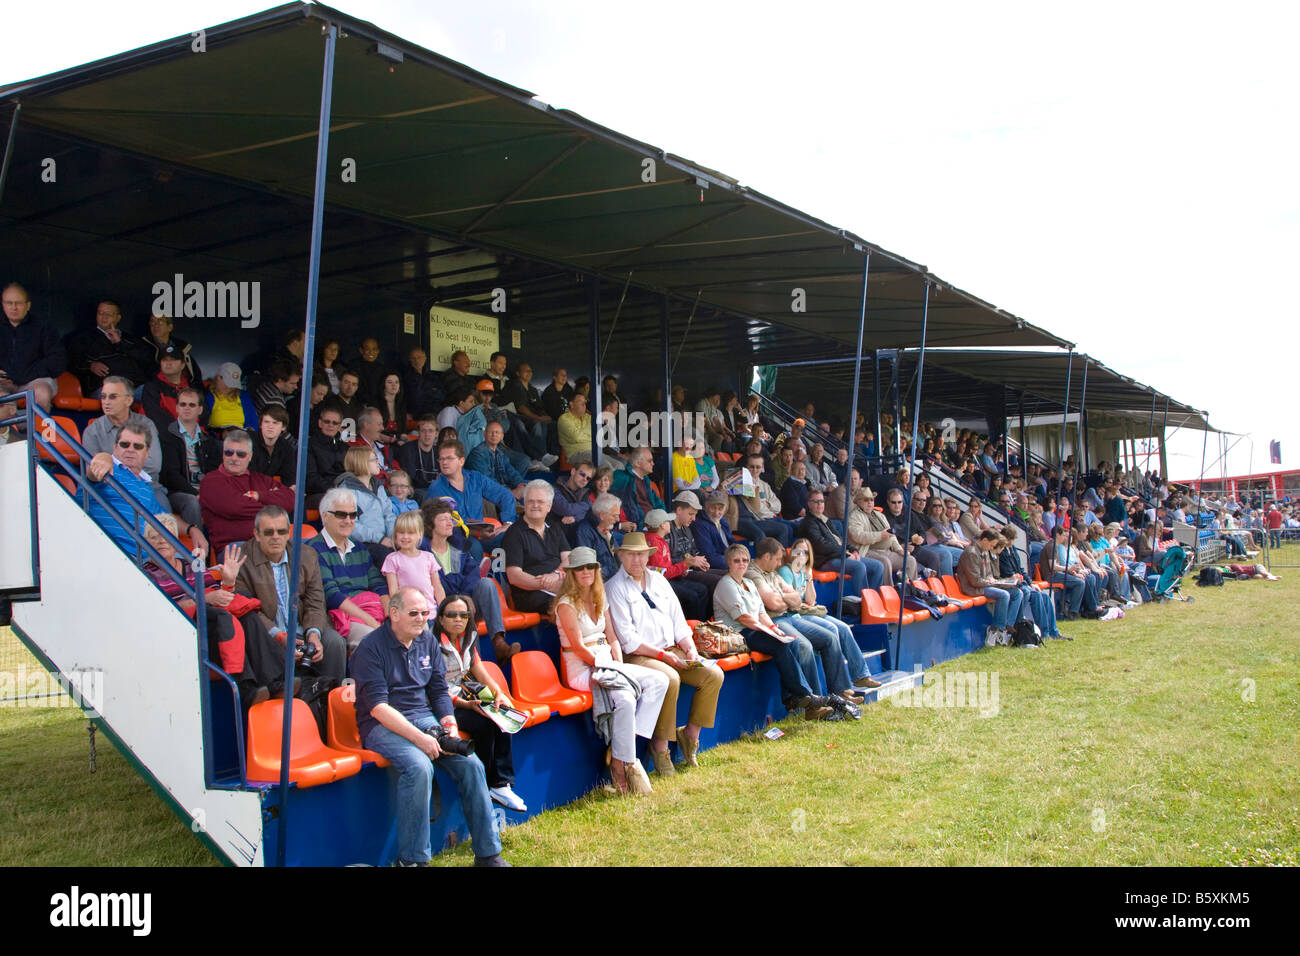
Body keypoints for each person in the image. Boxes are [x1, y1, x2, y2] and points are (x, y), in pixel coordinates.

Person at [350, 586, 508, 867]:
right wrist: (420, 739)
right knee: (419, 767)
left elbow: (438, 691)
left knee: (472, 764)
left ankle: (488, 855)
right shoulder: (370, 648)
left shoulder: (427, 641)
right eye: (414, 613)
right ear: (394, 613)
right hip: (380, 724)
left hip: (424, 717)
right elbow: (378, 708)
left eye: (425, 612)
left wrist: (449, 727)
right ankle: (413, 860)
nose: (422, 618)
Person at [606, 532, 724, 773]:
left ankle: (689, 736)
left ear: (648, 556)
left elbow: (678, 621)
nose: (637, 560)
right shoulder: (614, 587)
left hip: (672, 649)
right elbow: (628, 641)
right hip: (640, 656)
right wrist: (663, 656)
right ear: (621, 557)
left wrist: (690, 648)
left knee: (714, 674)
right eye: (630, 555)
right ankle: (660, 748)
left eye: (641, 555)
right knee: (669, 678)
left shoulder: (660, 581)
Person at [553, 550, 666, 795]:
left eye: (590, 567)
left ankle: (621, 749)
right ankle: (620, 767)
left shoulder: (599, 596)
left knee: (660, 680)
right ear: (571, 573)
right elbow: (579, 648)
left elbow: (612, 637)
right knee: (625, 698)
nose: (586, 572)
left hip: (607, 660)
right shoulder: (565, 604)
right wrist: (611, 666)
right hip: (582, 668)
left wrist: (617, 659)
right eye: (580, 568)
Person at [713, 545, 837, 721]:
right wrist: (768, 631)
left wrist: (773, 628)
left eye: (745, 560)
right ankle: (803, 694)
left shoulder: (748, 583)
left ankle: (793, 698)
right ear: (728, 563)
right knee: (780, 644)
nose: (741, 564)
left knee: (790, 640)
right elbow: (744, 618)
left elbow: (762, 612)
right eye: (737, 561)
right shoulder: (726, 584)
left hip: (754, 629)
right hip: (738, 634)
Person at [429, 593, 528, 813]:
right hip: (443, 705)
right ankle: (485, 783)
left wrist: (499, 693)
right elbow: (434, 690)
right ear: (441, 619)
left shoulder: (467, 638)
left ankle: (501, 784)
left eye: (463, 615)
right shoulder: (432, 643)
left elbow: (480, 671)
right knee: (484, 722)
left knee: (502, 713)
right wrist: (466, 705)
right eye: (451, 614)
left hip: (465, 696)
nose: (458, 619)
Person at [234, 504, 348, 684]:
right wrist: (280, 636)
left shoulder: (306, 555)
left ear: (289, 533)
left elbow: (315, 601)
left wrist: (313, 635)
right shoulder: (241, 560)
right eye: (268, 532)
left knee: (334, 642)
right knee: (265, 647)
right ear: (256, 534)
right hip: (269, 634)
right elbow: (249, 610)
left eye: (281, 531)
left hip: (303, 628)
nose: (275, 537)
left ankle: (330, 699)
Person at [746, 537, 862, 704]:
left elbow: (798, 601)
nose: (780, 564)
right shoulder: (753, 572)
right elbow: (772, 603)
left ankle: (840, 691)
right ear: (766, 557)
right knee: (805, 646)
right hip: (774, 620)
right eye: (778, 559)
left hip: (790, 615)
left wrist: (782, 597)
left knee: (829, 637)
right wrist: (785, 599)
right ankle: (817, 700)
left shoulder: (771, 572)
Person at [84, 416, 207, 556]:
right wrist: (102, 457)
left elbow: (163, 518)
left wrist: (191, 529)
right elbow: (92, 473)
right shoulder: (108, 469)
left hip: (149, 558)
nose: (130, 450)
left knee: (192, 565)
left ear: (147, 452)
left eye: (137, 446)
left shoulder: (146, 486)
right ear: (115, 447)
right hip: (115, 555)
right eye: (125, 444)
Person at [419, 497, 517, 662]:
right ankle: (473, 662)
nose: (450, 523)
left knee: (486, 584)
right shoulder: (423, 552)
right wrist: (460, 596)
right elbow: (438, 584)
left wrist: (464, 594)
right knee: (462, 611)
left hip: (465, 600)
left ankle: (499, 643)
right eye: (443, 520)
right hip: (441, 607)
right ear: (430, 525)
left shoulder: (458, 544)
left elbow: (472, 572)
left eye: (451, 519)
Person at [782, 537, 880, 687]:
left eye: (806, 553)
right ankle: (841, 686)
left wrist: (809, 579)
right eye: (798, 551)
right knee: (832, 629)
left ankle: (861, 675)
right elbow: (792, 604)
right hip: (796, 616)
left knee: (844, 628)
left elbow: (811, 600)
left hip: (808, 611)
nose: (801, 555)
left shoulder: (803, 573)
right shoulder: (786, 571)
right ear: (792, 552)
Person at [199, 428, 296, 555]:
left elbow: (291, 499)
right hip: (235, 548)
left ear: (250, 457)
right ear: (222, 454)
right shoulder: (211, 481)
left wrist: (259, 495)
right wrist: (274, 506)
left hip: (273, 542)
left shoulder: (260, 479)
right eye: (229, 453)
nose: (234, 458)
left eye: (241, 454)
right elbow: (235, 507)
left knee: (307, 551)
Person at [427, 438, 517, 560]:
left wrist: (507, 523)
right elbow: (442, 525)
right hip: (454, 537)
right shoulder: (436, 488)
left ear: (461, 461)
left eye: (449, 458)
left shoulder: (475, 478)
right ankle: (478, 577)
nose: (444, 462)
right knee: (474, 548)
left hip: (483, 534)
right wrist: (477, 533)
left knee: (513, 537)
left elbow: (505, 495)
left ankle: (509, 576)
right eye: (441, 459)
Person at [797, 489, 884, 608]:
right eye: (816, 501)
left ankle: (872, 603)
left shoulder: (825, 520)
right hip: (825, 560)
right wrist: (846, 554)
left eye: (822, 501)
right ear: (809, 504)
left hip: (840, 555)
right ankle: (862, 606)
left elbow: (841, 540)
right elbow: (822, 546)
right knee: (859, 567)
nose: (820, 504)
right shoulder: (808, 523)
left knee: (878, 566)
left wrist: (853, 550)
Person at [502, 480, 571, 614]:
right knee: (571, 607)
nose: (535, 505)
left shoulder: (554, 527)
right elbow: (514, 576)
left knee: (595, 598)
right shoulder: (514, 533)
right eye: (530, 501)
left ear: (549, 507)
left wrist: (557, 575)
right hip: (531, 594)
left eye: (540, 502)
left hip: (558, 585)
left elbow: (569, 558)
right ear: (524, 503)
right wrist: (548, 584)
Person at [158, 386, 220, 526]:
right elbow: (171, 475)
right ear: (177, 408)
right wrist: (195, 493)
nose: (187, 408)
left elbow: (214, 472)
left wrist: (206, 493)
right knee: (192, 502)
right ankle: (198, 546)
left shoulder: (208, 440)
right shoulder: (166, 436)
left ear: (200, 409)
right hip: (177, 492)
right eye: (183, 404)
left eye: (192, 405)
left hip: (204, 490)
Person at [67, 300, 152, 397]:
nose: (104, 317)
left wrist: (120, 343)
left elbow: (146, 359)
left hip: (134, 386)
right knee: (117, 397)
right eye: (101, 313)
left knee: (156, 395)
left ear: (118, 318)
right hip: (104, 387)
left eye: (109, 314)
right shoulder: (83, 337)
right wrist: (90, 365)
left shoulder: (129, 339)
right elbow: (72, 362)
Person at [0, 282, 65, 409]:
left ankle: (36, 429)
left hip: (35, 381)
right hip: (3, 383)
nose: (14, 307)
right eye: (9, 303)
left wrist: (22, 375)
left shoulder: (43, 327)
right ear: (3, 305)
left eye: (18, 303)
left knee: (41, 393)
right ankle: (10, 429)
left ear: (28, 305)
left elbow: (58, 361)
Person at [958, 530, 1026, 648]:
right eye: (991, 545)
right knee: (1004, 595)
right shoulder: (971, 553)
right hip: (974, 588)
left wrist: (1000, 582)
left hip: (986, 584)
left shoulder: (984, 551)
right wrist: (994, 583)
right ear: (984, 540)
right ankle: (996, 629)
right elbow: (975, 581)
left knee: (1017, 593)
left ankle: (1006, 627)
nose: (992, 548)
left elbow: (990, 575)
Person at [997, 526, 1063, 639]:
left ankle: (1054, 631)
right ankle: (1045, 633)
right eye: (1011, 539)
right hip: (1013, 584)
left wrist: (1030, 582)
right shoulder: (1002, 552)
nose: (1012, 542)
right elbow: (1008, 573)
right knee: (1036, 595)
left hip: (1021, 582)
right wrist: (1024, 582)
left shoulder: (1012, 549)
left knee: (1045, 597)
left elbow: (1020, 569)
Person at [335, 445, 396, 563]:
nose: (378, 462)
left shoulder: (378, 487)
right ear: (361, 462)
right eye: (374, 459)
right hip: (359, 544)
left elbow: (389, 514)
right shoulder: (346, 491)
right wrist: (380, 539)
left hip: (384, 541)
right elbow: (351, 526)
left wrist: (394, 537)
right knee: (385, 555)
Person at [847, 486, 917, 582]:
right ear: (859, 502)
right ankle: (888, 592)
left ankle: (906, 589)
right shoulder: (854, 516)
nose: (870, 502)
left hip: (884, 550)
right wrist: (880, 535)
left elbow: (891, 534)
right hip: (866, 551)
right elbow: (858, 536)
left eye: (871, 499)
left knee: (910, 560)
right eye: (866, 500)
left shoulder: (879, 515)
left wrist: (899, 549)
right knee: (885, 562)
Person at [465, 419, 527, 499]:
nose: (494, 434)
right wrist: (509, 492)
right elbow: (487, 481)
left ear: (502, 436)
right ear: (484, 434)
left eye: (497, 432)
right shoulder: (478, 454)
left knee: (533, 487)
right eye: (491, 432)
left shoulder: (500, 453)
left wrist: (521, 485)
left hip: (500, 490)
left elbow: (511, 473)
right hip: (481, 494)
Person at [140, 345, 192, 433]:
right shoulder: (152, 387)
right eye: (164, 360)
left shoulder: (190, 388)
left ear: (183, 365)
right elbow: (157, 417)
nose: (168, 363)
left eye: (173, 359)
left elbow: (201, 416)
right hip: (162, 435)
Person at [609, 446, 666, 527]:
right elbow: (604, 498)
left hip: (652, 526)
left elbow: (658, 503)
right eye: (649, 461)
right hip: (636, 529)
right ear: (638, 463)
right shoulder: (621, 477)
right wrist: (619, 525)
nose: (653, 463)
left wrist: (662, 517)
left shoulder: (646, 480)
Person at [574, 492, 622, 580]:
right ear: (602, 515)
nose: (618, 519)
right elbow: (587, 566)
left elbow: (618, 556)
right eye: (615, 516)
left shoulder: (607, 528)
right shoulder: (584, 531)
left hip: (615, 577)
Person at [395, 414, 441, 498]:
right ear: (418, 432)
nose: (427, 434)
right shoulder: (407, 450)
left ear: (436, 433)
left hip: (433, 490)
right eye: (423, 431)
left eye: (431, 431)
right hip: (413, 490)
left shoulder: (439, 452)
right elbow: (410, 479)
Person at [250, 405, 296, 488]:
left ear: (283, 427)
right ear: (260, 425)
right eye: (266, 422)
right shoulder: (248, 442)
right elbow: (250, 475)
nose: (270, 426)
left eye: (275, 423)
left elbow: (289, 478)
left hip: (270, 491)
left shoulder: (286, 447)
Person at [204, 362, 258, 432]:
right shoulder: (208, 398)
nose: (231, 387)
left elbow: (254, 422)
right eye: (228, 383)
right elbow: (204, 424)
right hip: (218, 438)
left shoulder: (244, 396)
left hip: (242, 437)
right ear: (219, 378)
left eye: (233, 384)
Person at [400, 347, 440, 417]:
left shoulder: (432, 376)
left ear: (425, 358)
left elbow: (441, 395)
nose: (417, 361)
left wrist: (424, 390)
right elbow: (414, 396)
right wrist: (431, 390)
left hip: (433, 414)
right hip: (414, 416)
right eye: (413, 358)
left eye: (419, 357)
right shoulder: (405, 376)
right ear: (409, 360)